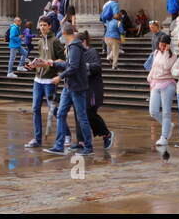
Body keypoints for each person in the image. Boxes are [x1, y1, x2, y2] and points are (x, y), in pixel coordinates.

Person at [45, 23, 94, 156]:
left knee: (81, 116)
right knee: (61, 114)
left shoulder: (74, 47)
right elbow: (69, 64)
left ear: (64, 33)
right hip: (70, 86)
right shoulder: (72, 46)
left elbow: (73, 67)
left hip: (76, 87)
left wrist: (59, 77)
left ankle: (88, 147)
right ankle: (59, 145)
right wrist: (54, 63)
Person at [23, 17, 65, 148]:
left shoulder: (55, 41)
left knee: (53, 109)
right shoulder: (40, 42)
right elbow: (41, 59)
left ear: (50, 26)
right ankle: (37, 138)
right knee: (35, 109)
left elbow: (63, 60)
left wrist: (52, 63)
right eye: (40, 25)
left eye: (44, 25)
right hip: (38, 80)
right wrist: (33, 65)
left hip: (49, 80)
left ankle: (66, 134)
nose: (42, 27)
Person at [76, 31, 113, 152]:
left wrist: (84, 67)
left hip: (92, 89)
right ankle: (80, 141)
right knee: (80, 114)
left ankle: (106, 134)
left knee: (89, 113)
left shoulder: (92, 52)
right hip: (81, 89)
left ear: (83, 42)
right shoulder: (78, 54)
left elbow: (97, 66)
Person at [147, 32, 177, 148]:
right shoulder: (156, 52)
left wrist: (166, 52)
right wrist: (150, 79)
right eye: (161, 44)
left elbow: (166, 66)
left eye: (165, 45)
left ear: (168, 45)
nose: (162, 47)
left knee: (166, 112)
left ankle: (164, 137)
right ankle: (169, 125)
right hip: (155, 83)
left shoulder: (172, 55)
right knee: (153, 111)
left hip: (168, 84)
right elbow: (153, 67)